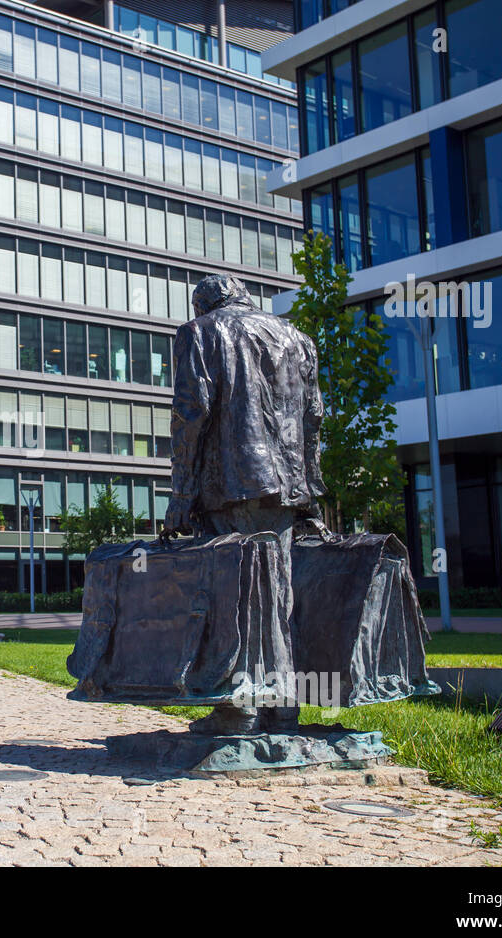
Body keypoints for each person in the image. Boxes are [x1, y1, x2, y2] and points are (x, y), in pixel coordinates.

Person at [162, 273, 326, 734]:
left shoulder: (200, 333)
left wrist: (181, 493)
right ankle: (282, 706)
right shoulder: (296, 337)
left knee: (232, 594)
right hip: (286, 485)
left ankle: (239, 705)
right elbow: (313, 417)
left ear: (203, 305)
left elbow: (190, 414)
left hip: (230, 481)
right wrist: (310, 487)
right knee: (277, 592)